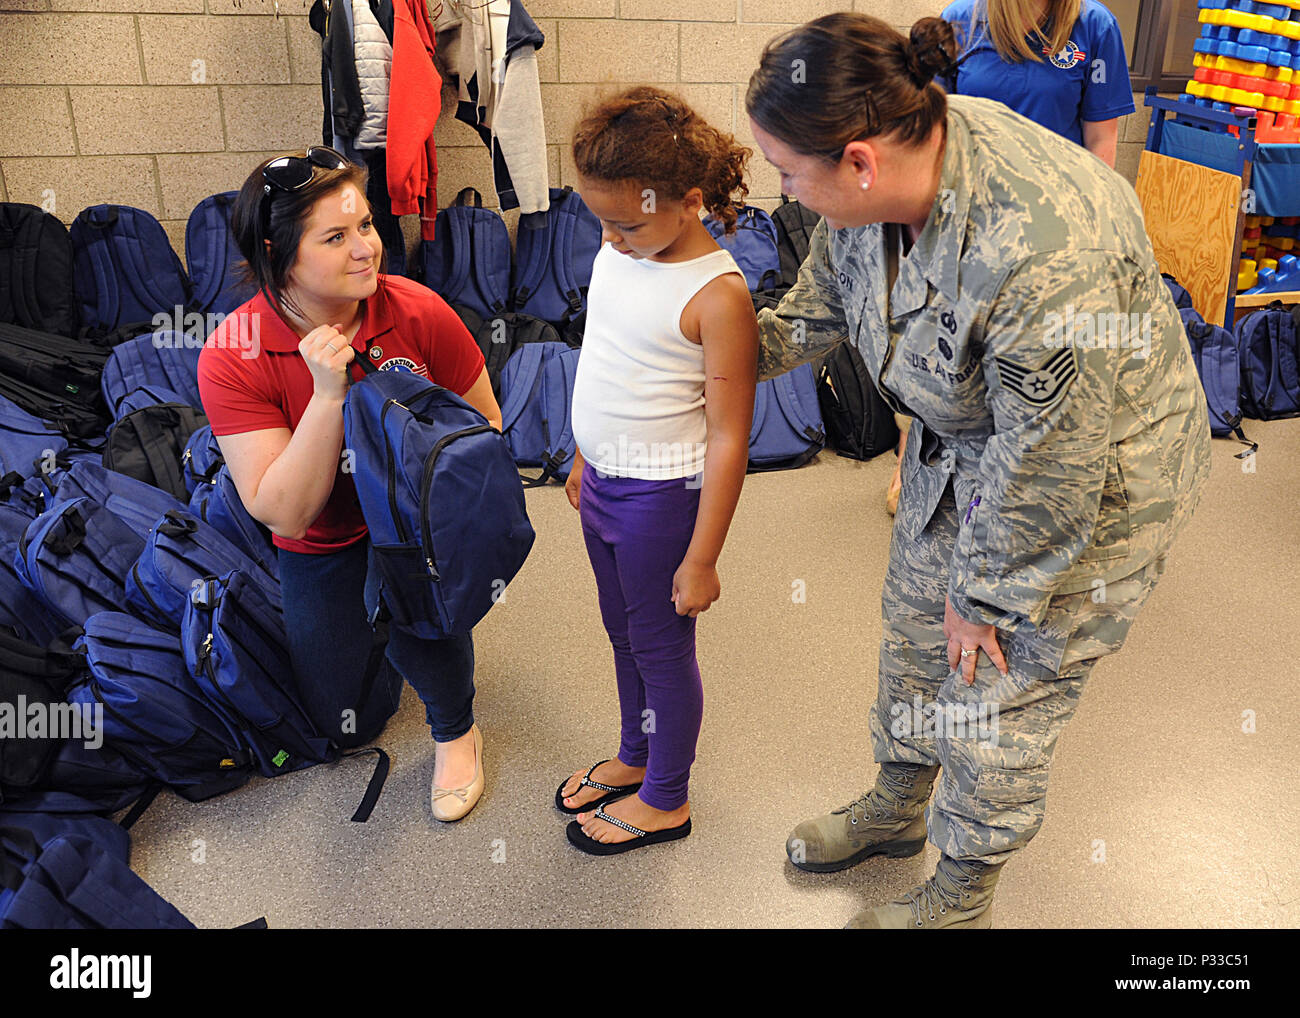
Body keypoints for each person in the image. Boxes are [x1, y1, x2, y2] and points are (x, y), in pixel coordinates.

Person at [745, 13, 1210, 927]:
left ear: (858, 161)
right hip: (971, 449)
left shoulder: (1043, 244)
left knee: (994, 692)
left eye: (791, 173)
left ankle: (962, 901)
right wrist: (705, 338)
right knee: (919, 637)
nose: (785, 189)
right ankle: (894, 810)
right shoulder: (878, 188)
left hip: (1091, 491)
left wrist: (988, 594)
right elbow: (816, 314)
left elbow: (1055, 464)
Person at [196, 147, 503, 823]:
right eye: (336, 237)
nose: (367, 248)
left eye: (365, 225)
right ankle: (382, 630)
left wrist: (429, 493)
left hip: (413, 527)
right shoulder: (231, 353)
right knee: (348, 727)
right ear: (278, 254)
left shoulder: (416, 310)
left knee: (421, 618)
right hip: (323, 537)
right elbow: (285, 514)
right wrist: (329, 396)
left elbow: (486, 419)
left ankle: (457, 729)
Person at [555, 87, 759, 855]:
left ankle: (667, 797)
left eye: (629, 221)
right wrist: (584, 452)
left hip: (661, 501)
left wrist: (703, 558)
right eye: (599, 219)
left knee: (662, 648)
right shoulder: (620, 252)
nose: (610, 236)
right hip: (604, 484)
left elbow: (730, 438)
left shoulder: (717, 296)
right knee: (623, 634)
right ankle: (635, 755)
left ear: (689, 201)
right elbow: (606, 359)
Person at [882, 0, 1137, 514]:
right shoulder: (960, 20)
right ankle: (914, 458)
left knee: (1030, 360)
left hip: (1052, 227)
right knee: (945, 347)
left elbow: (1100, 144)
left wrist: (1096, 227)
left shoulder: (1093, 25)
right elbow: (930, 130)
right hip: (967, 214)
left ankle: (1014, 488)